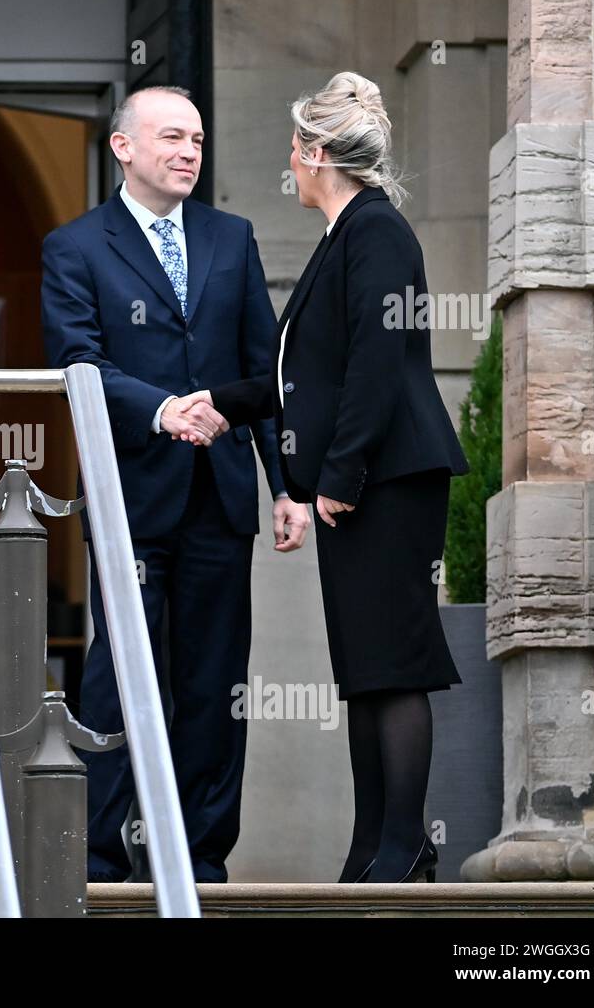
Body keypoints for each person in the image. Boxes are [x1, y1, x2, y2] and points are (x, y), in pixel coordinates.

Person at [41, 85, 310, 884]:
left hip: (221, 502)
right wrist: (163, 411)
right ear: (123, 147)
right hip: (133, 497)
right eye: (170, 137)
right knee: (120, 674)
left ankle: (197, 860)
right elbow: (78, 361)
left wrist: (286, 486)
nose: (189, 151)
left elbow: (265, 371)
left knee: (214, 685)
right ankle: (96, 859)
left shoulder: (234, 238)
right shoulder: (76, 246)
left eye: (196, 139)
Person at [207, 71, 470, 883]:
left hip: (387, 480)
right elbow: (306, 376)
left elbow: (375, 369)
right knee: (364, 668)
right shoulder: (345, 235)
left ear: (318, 153)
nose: (289, 157)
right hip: (361, 483)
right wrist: (215, 401)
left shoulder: (377, 231)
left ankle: (405, 847)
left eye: (296, 145)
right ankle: (372, 849)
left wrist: (340, 477)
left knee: (392, 661)